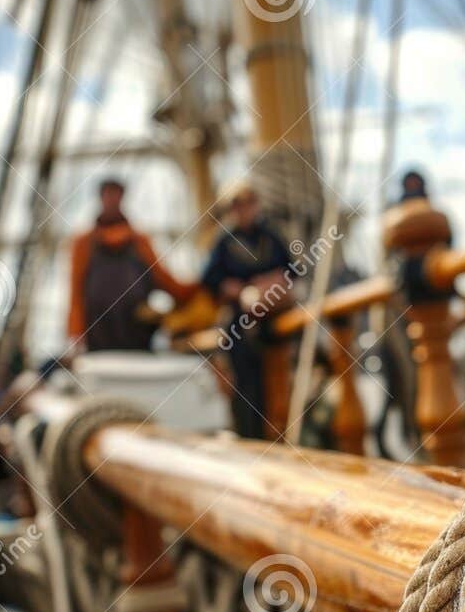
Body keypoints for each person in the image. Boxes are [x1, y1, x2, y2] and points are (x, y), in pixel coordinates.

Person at [200, 182, 296, 439]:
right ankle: (250, 434)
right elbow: (209, 278)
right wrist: (234, 289)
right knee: (245, 383)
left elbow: (292, 270)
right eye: (238, 205)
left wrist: (272, 283)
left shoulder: (270, 235)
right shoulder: (224, 240)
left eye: (248, 204)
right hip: (239, 322)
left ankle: (280, 432)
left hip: (275, 319)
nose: (244, 210)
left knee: (278, 381)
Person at [67, 177, 194, 353]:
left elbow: (163, 280)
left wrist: (198, 290)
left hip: (137, 338)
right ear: (101, 198)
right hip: (96, 338)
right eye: (108, 194)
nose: (112, 200)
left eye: (116, 195)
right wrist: (75, 334)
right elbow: (76, 292)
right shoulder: (83, 243)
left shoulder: (140, 241)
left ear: (122, 198)